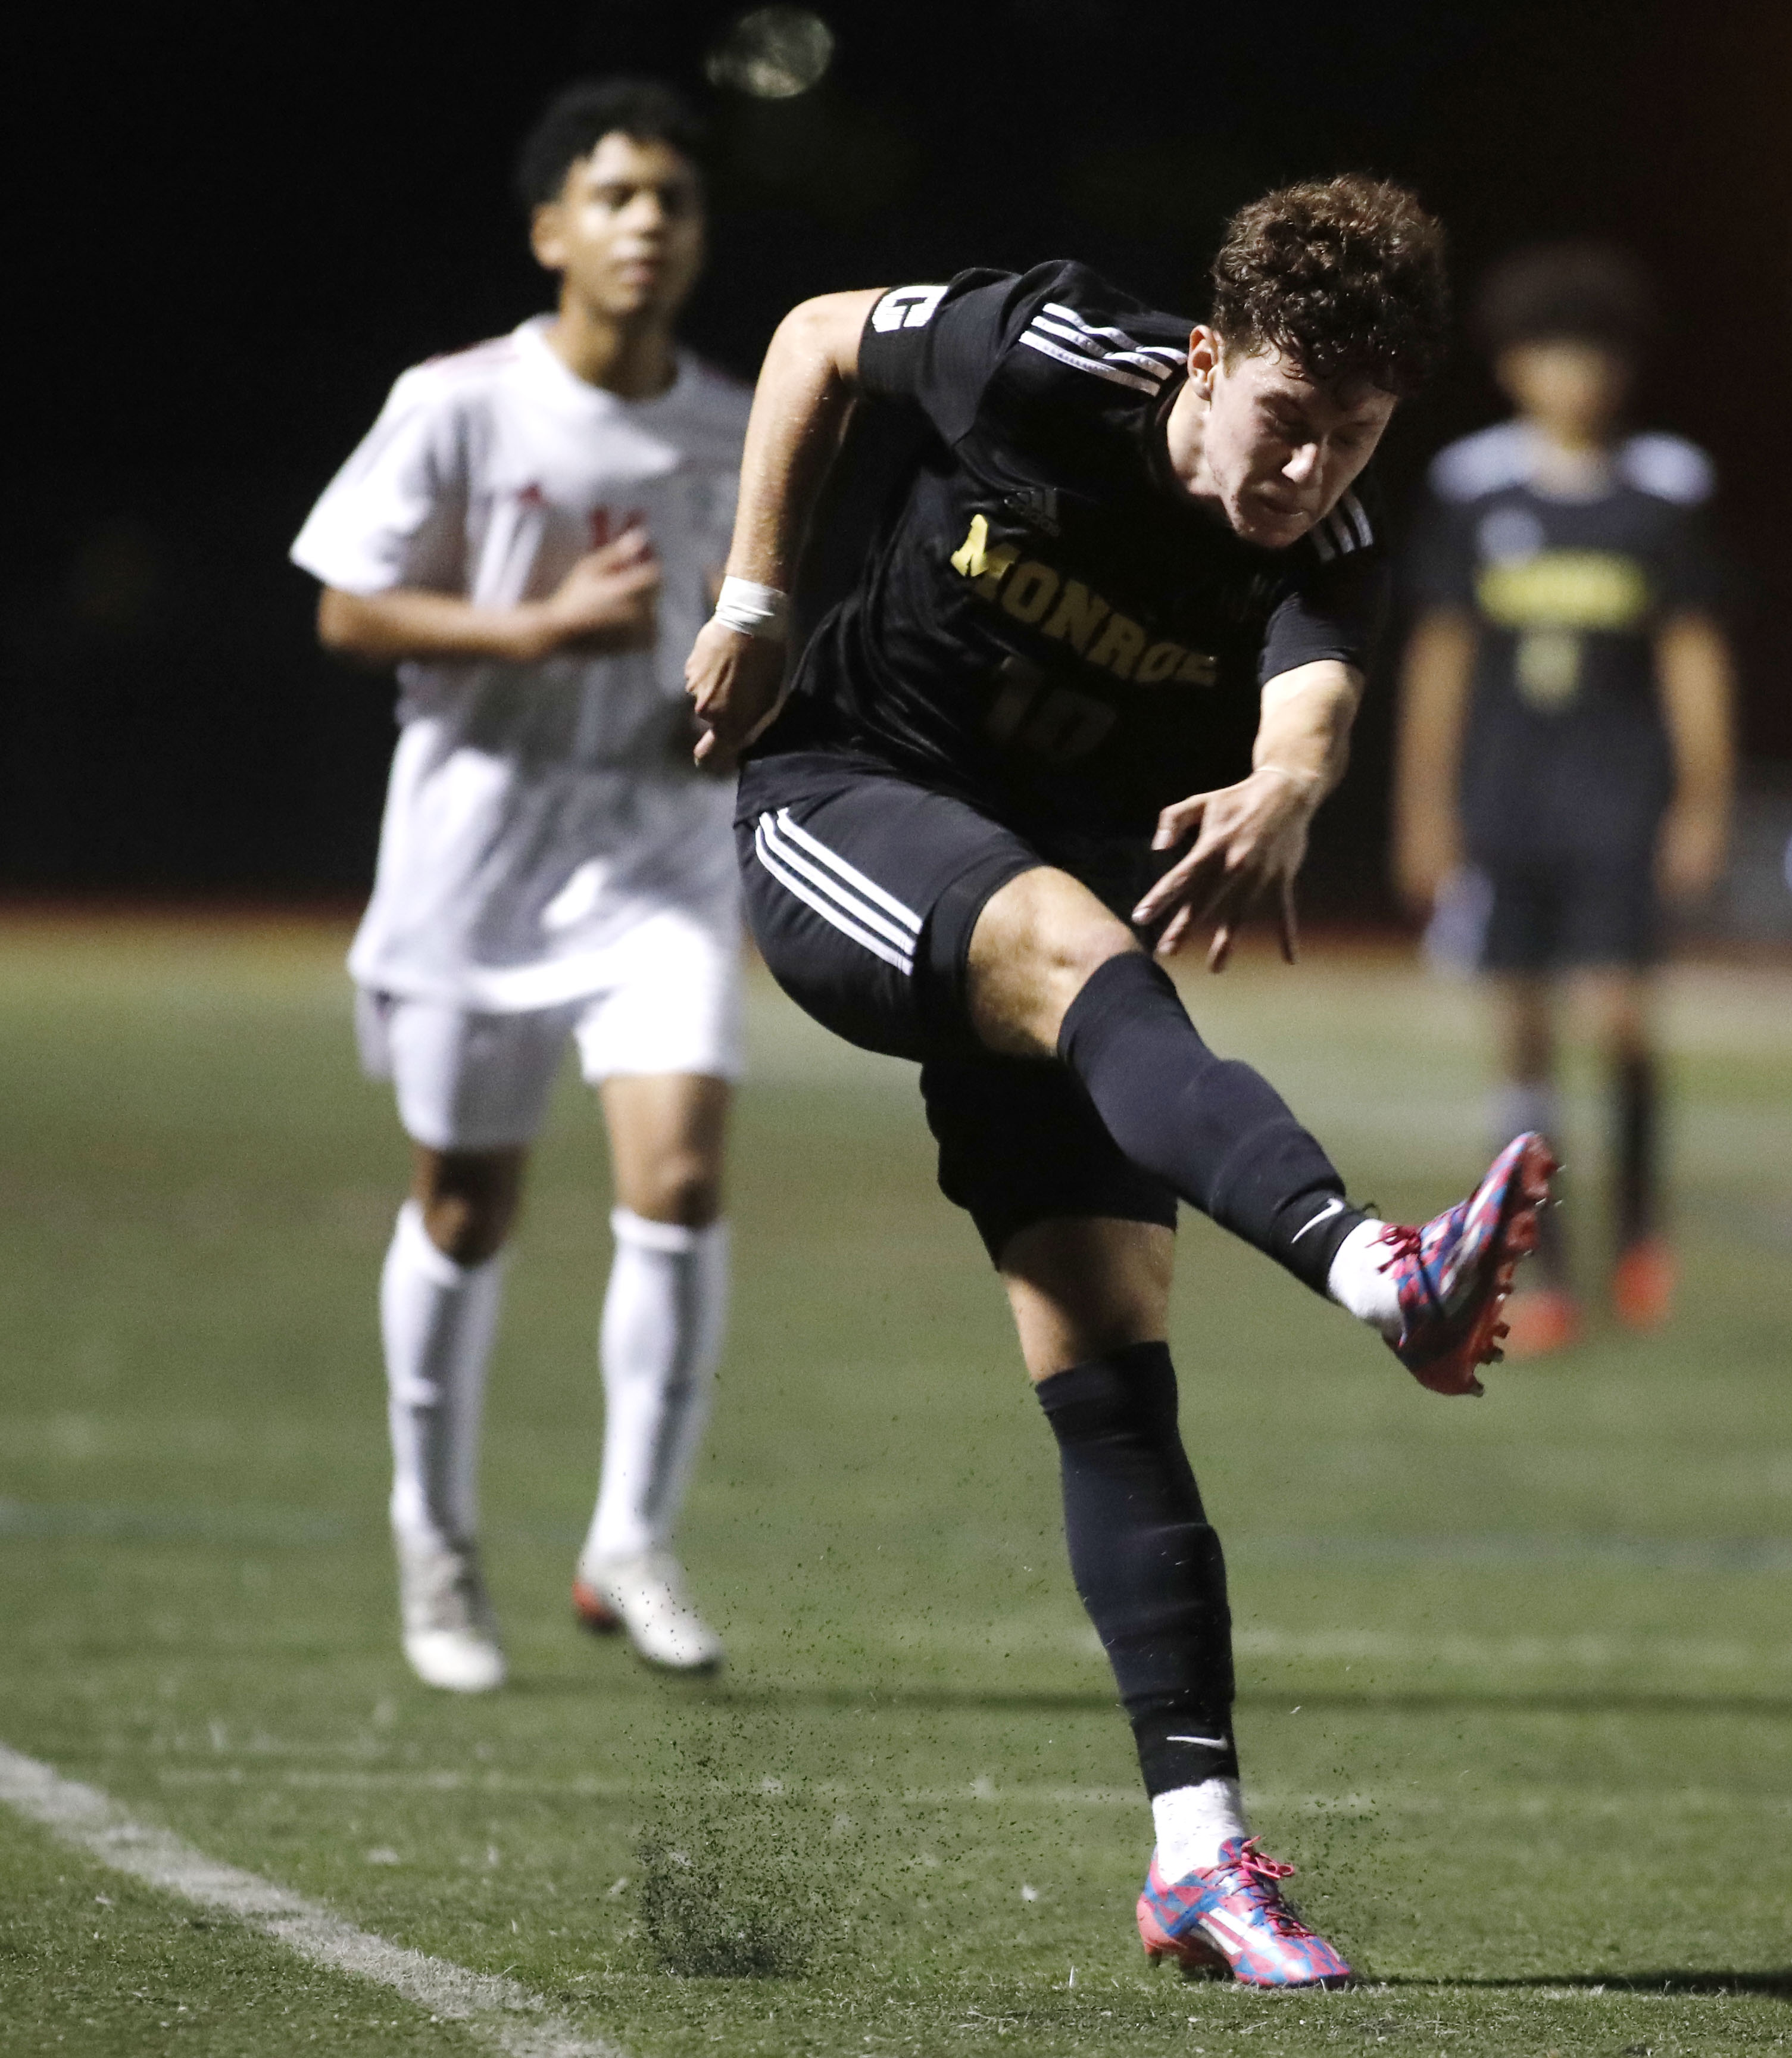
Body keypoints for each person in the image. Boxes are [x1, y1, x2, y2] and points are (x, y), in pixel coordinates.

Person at [679, 176, 1553, 1990]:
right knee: (1090, 958)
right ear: (1208, 359)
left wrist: (1291, 784)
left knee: (1111, 1370)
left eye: (1355, 433)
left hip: (1054, 924)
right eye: (1286, 417)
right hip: (851, 803)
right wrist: (756, 596)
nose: (1308, 467)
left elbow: (1311, 709)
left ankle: (1198, 1857)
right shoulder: (1051, 351)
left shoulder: (1329, 537)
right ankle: (1380, 1273)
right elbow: (813, 340)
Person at [292, 79, 751, 1695]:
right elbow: (349, 608)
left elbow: (755, 625)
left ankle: (630, 1539)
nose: (647, 225)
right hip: (476, 864)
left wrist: (736, 703)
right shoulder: (459, 404)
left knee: (678, 1178)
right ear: (552, 229)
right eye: (615, 196)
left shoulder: (738, 426)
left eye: (672, 200)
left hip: (657, 857)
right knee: (465, 1209)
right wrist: (534, 630)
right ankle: (435, 1538)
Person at [1391, 244, 1735, 1347]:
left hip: (1618, 795)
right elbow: (1441, 656)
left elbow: (1692, 655)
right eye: (1551, 353)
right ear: (1512, 366)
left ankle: (1637, 1226)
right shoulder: (1472, 488)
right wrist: (1421, 809)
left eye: (1592, 354)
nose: (1573, 376)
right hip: (1507, 798)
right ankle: (1540, 1271)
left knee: (1620, 1017)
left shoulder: (1663, 490)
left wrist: (1702, 802)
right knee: (1522, 1036)